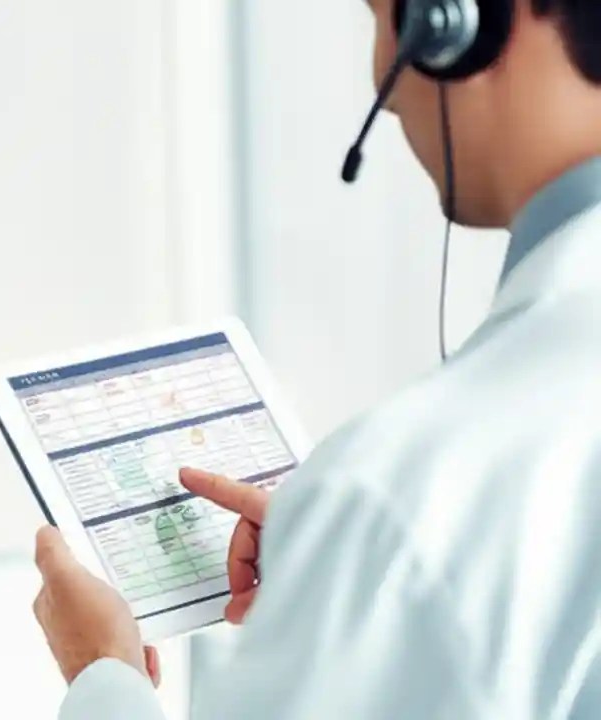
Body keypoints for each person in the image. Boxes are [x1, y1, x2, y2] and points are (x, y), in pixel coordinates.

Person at [33, 0, 601, 717]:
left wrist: (103, 676)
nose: (383, 90)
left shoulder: (401, 496)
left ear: (457, 21)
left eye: (380, 16)